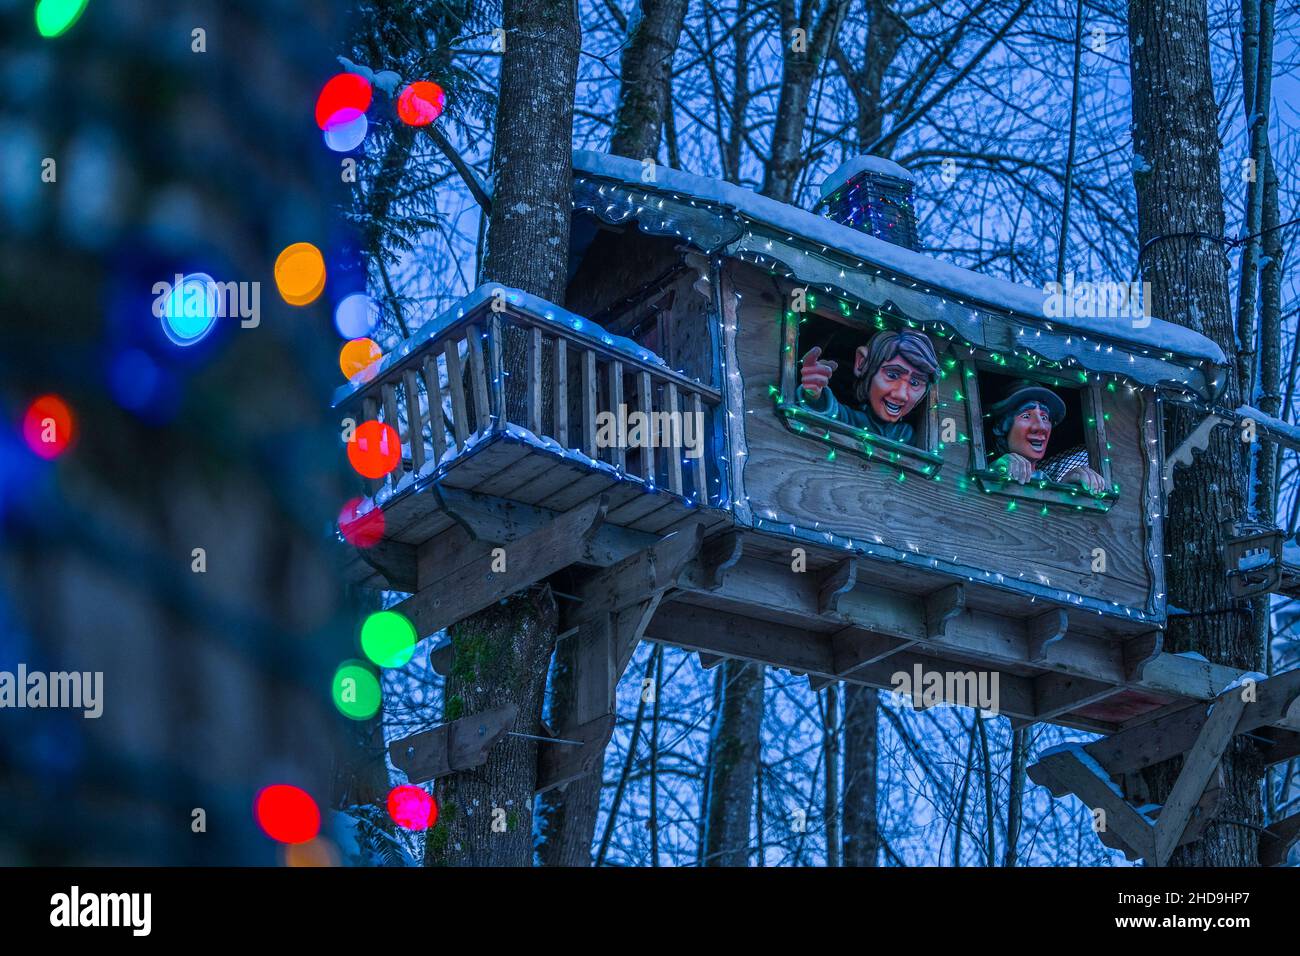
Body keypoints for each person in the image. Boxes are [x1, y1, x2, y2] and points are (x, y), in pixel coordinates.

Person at [798, 329, 939, 447]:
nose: (901, 395)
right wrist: (814, 395)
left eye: (914, 383)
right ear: (862, 363)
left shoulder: (908, 435)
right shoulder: (850, 419)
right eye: (892, 375)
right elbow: (826, 410)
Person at [986, 380, 1106, 493]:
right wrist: (993, 470)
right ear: (1002, 426)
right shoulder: (991, 470)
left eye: (1044, 418)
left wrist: (1065, 487)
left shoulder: (1044, 479)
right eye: (1026, 416)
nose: (1041, 427)